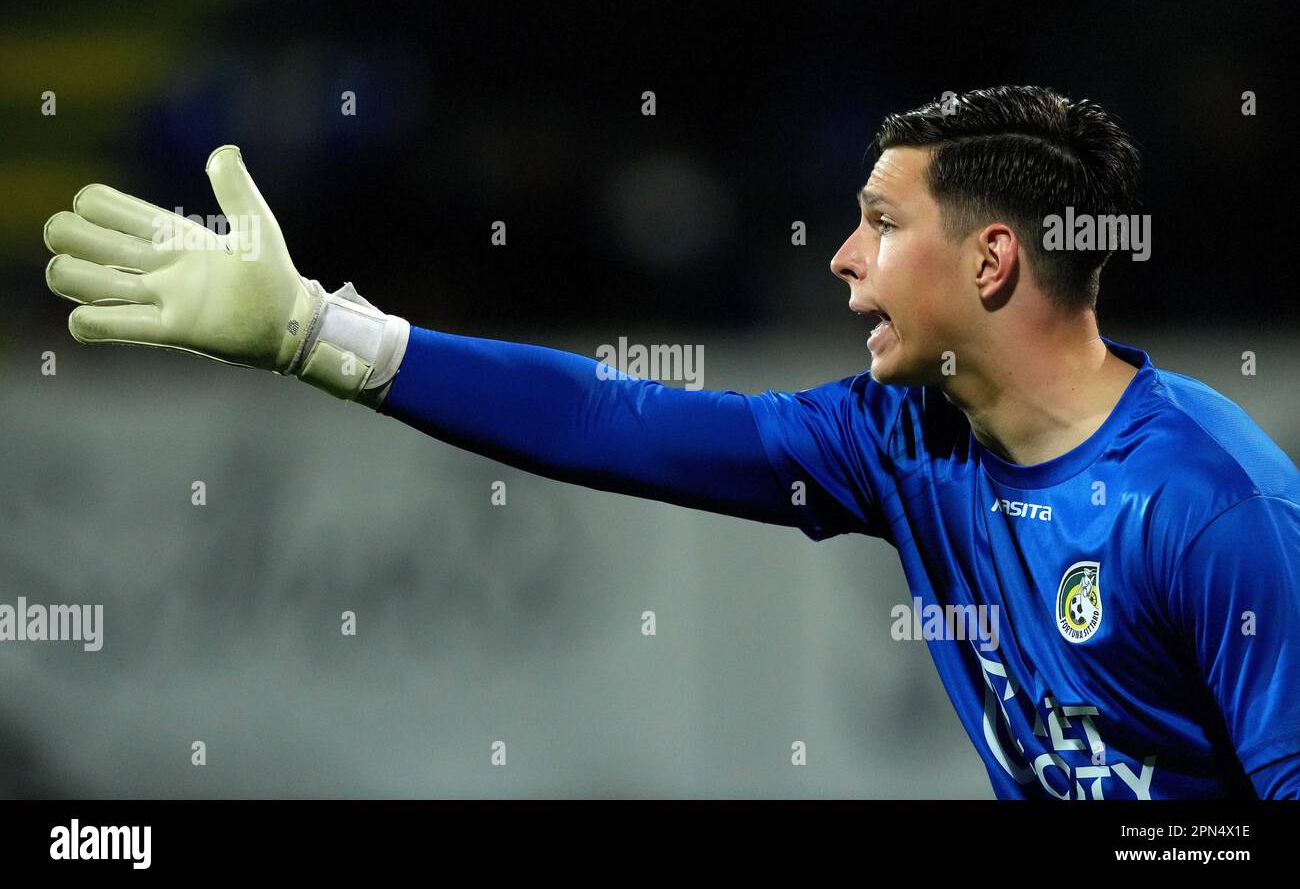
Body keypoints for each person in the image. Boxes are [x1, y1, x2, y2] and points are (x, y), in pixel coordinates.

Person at [42, 85, 1300, 798]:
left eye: (877, 220)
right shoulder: (900, 437)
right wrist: (323, 334)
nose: (843, 256)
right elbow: (614, 414)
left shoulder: (1212, 507)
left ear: (991, 256)